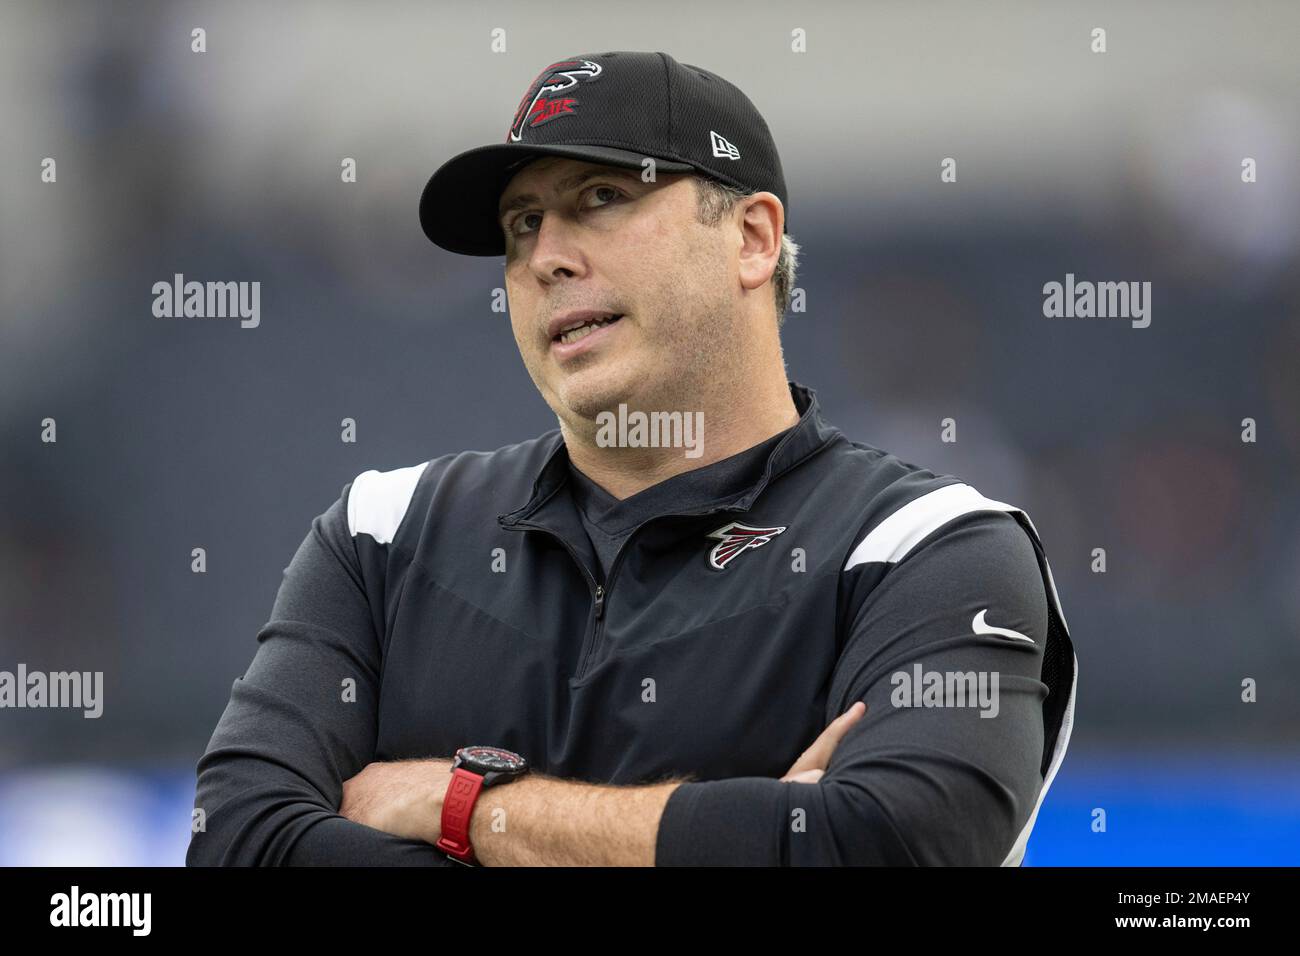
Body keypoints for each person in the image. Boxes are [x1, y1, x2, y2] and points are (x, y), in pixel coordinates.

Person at [186, 50, 1077, 867]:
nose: (545, 258)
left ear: (754, 239)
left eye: (601, 200)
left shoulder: (928, 546)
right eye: (522, 224)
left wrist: (460, 811)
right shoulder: (384, 530)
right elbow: (235, 841)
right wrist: (739, 834)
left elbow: (897, 844)